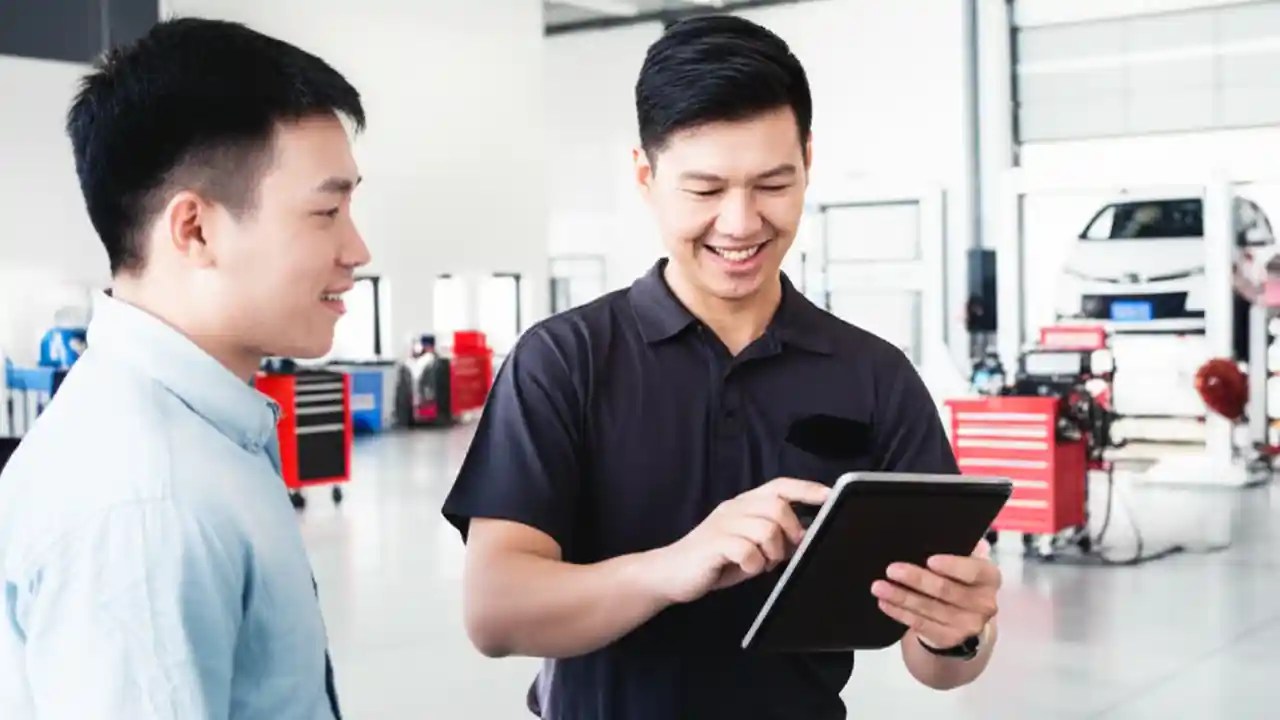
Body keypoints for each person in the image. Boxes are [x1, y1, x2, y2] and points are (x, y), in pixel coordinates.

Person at [442, 15, 1001, 720]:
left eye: (773, 184)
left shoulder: (875, 374)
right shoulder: (564, 360)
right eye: (704, 190)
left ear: (807, 162)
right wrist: (673, 569)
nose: (740, 224)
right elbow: (496, 614)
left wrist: (960, 631)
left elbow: (940, 667)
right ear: (645, 175)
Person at [0, 18, 369, 719]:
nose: (357, 248)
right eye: (326, 211)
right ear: (194, 229)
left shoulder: (201, 432)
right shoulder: (145, 504)